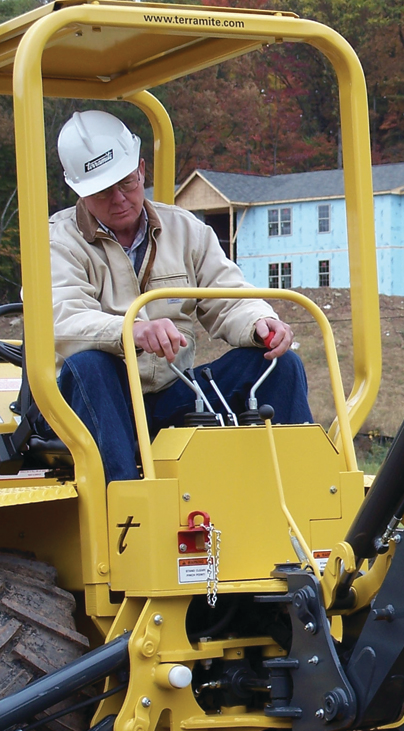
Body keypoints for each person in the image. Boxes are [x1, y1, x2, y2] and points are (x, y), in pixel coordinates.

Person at [50, 110, 312, 481]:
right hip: (97, 402)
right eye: (103, 191)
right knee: (90, 366)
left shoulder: (187, 230)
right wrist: (133, 331)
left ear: (142, 170)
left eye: (126, 183)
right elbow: (62, 320)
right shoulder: (57, 242)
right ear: (80, 192)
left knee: (277, 365)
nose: (119, 198)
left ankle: (301, 490)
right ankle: (125, 504)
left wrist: (260, 321)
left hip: (172, 391)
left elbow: (228, 295)